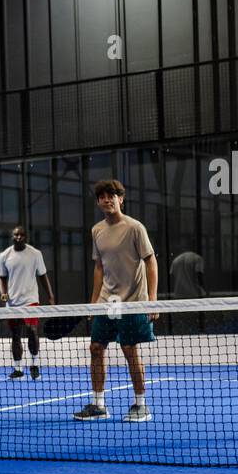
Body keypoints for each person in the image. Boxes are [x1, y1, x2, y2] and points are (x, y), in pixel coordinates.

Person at [72, 179, 159, 423]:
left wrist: (152, 300)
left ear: (121, 199)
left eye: (112, 195)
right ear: (99, 202)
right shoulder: (96, 230)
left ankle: (141, 404)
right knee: (96, 348)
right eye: (102, 196)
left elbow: (151, 262)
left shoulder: (135, 228)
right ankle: (99, 404)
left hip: (132, 301)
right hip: (106, 302)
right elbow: (99, 267)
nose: (107, 199)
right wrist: (93, 302)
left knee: (129, 349)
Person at [0, 225, 54, 379]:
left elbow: (43, 275)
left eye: (22, 235)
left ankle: (34, 365)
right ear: (12, 237)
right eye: (16, 235)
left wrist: (50, 296)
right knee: (15, 335)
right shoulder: (4, 255)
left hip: (31, 300)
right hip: (13, 303)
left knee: (32, 330)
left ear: (26, 237)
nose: (19, 237)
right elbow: (1, 277)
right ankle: (18, 369)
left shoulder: (35, 254)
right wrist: (3, 294)